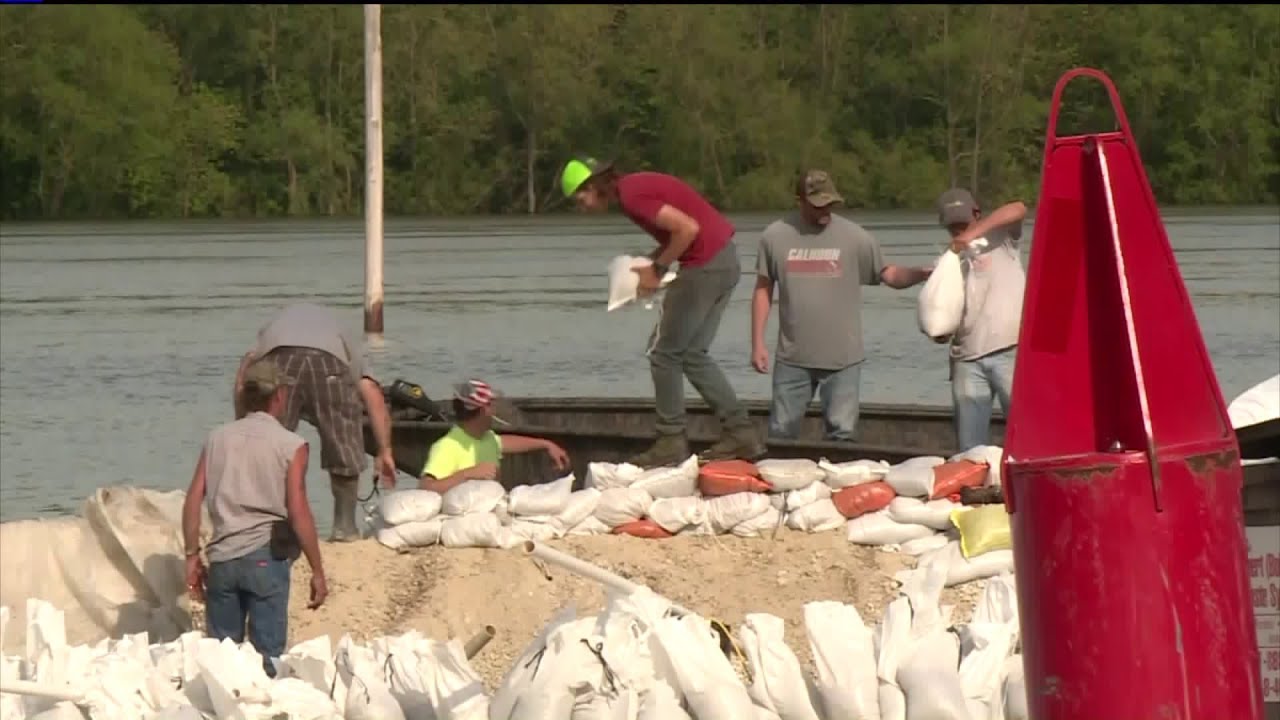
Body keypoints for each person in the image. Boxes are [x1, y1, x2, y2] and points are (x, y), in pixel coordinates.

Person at [560, 156, 765, 467]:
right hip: (725, 260)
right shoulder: (634, 187)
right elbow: (679, 234)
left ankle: (671, 439)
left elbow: (687, 230)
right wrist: (649, 264)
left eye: (581, 197)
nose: (582, 206)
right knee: (692, 353)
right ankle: (741, 433)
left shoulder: (632, 196)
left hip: (705, 265)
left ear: (594, 185)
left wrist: (656, 269)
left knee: (664, 353)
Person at [752, 170, 934, 441]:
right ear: (799, 200)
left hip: (843, 360)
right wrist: (757, 343)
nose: (825, 209)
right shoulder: (774, 236)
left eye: (830, 202)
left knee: (843, 435)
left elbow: (890, 275)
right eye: (818, 205)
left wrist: (921, 273)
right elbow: (763, 289)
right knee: (781, 434)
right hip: (792, 359)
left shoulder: (855, 237)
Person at [183, 358, 327, 676]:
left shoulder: (217, 439)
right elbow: (298, 508)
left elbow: (193, 498)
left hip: (221, 560)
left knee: (223, 662)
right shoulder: (291, 445)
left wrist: (192, 555)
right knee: (268, 661)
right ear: (278, 396)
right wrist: (317, 569)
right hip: (266, 558)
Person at [233, 303, 396, 542]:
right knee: (343, 441)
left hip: (279, 358)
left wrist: (245, 430)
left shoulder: (271, 327)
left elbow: (243, 381)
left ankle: (269, 528)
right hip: (329, 363)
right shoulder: (344, 332)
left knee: (270, 443)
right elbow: (371, 390)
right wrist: (384, 450)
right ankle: (345, 529)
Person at [935, 188, 1028, 450]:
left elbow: (1018, 207)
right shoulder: (948, 258)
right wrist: (939, 329)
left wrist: (970, 235)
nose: (957, 230)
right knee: (969, 446)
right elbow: (945, 305)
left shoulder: (1003, 238)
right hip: (966, 359)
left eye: (962, 223)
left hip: (1010, 350)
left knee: (1025, 434)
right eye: (952, 226)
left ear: (977, 213)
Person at [420, 379, 572, 494]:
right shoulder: (448, 446)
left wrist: (546, 444)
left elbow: (504, 442)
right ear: (483, 410)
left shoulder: (487, 438)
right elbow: (426, 487)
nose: (495, 410)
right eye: (491, 404)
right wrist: (467, 474)